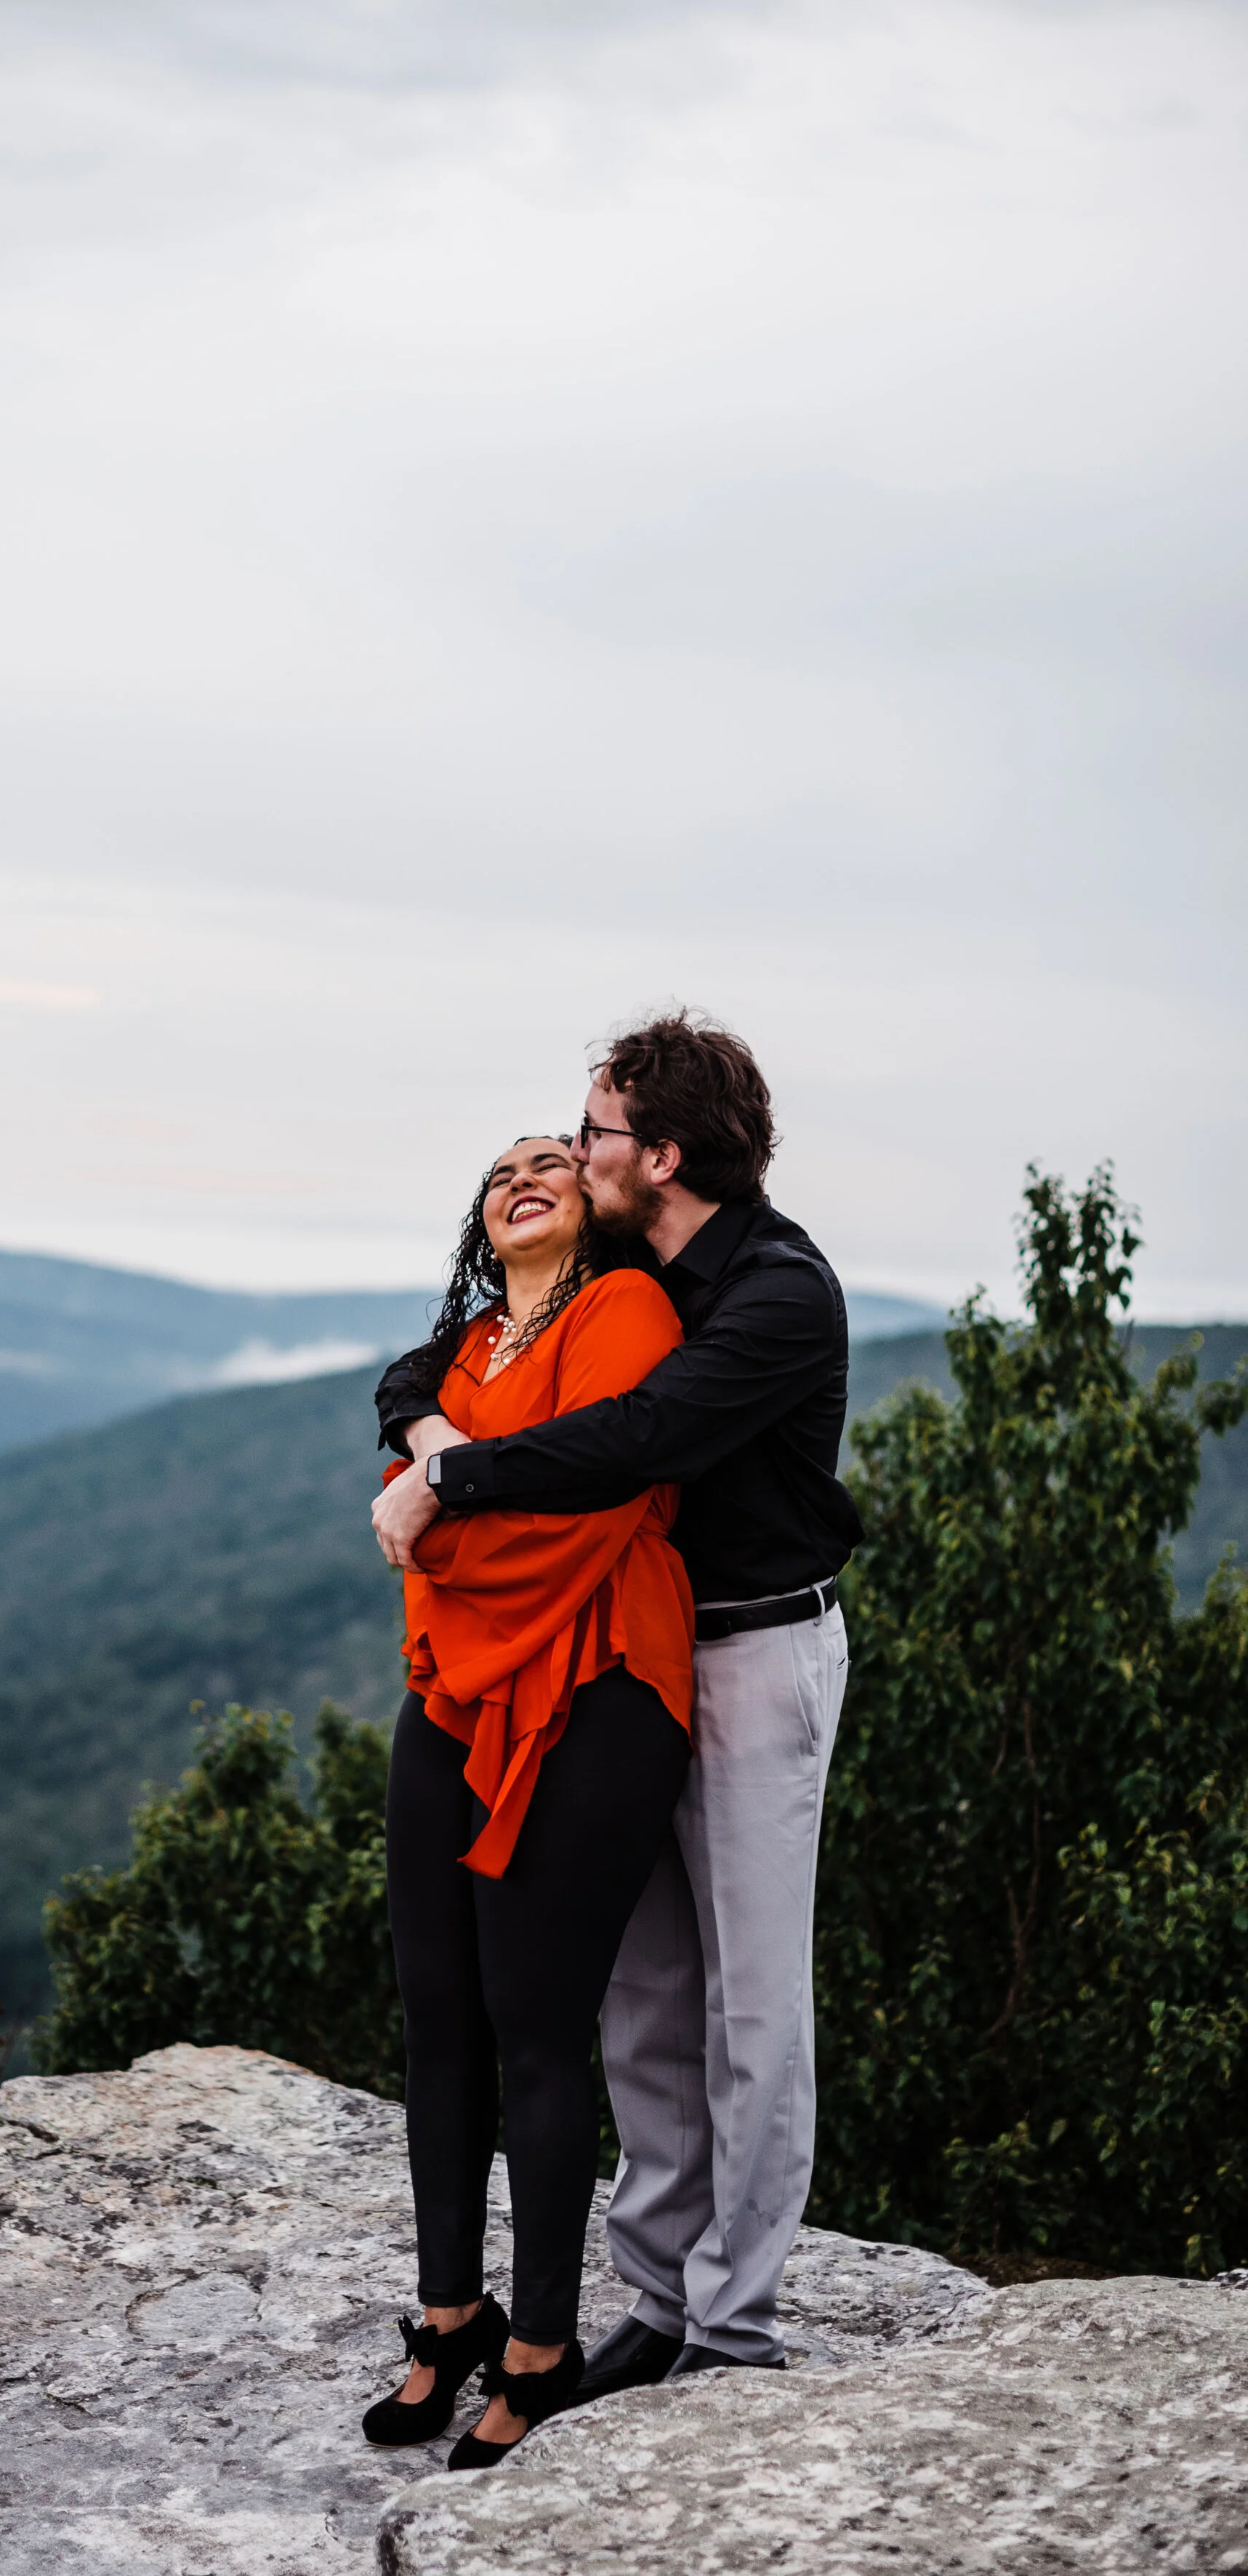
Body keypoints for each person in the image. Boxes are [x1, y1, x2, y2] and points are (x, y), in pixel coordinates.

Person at [372, 1011, 861, 2391]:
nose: (574, 1148)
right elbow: (439, 1355)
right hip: (620, 1667)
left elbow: (637, 1439)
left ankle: (735, 2325)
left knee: (752, 2005)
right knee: (645, 1993)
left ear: (661, 1151)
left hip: (756, 1652)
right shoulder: (625, 1259)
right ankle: (653, 2298)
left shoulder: (776, 1289)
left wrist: (449, 1484)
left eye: (591, 1130)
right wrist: (426, 1429)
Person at [361, 1133, 695, 2468]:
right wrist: (428, 1450)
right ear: (484, 1221)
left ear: (592, 1203)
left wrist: (434, 1504)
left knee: (539, 2021)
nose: (526, 1176)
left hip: (600, 1678)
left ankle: (543, 2348)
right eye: (502, 1171)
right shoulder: (473, 1344)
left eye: (555, 1157)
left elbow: (590, 1497)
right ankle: (451, 2317)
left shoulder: (629, 1309)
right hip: (457, 1689)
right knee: (438, 2013)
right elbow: (421, 1436)